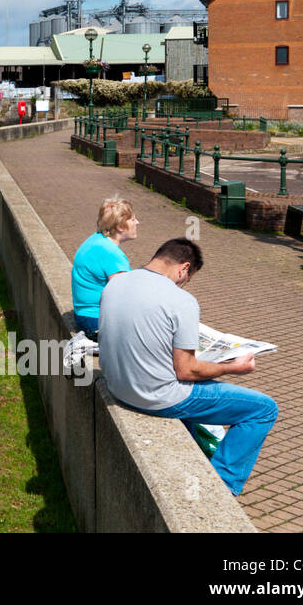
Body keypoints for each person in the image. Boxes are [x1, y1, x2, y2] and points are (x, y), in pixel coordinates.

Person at [98, 238, 278, 497]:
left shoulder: (116, 284)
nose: (183, 283)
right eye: (187, 278)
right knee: (263, 409)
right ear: (183, 268)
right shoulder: (181, 300)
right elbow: (186, 371)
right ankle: (221, 489)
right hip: (156, 397)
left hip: (119, 386)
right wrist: (232, 367)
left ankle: (199, 461)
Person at [70, 196, 137, 338]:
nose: (137, 222)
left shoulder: (95, 239)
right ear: (120, 226)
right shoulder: (111, 254)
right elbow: (124, 296)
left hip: (84, 316)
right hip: (96, 322)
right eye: (132, 220)